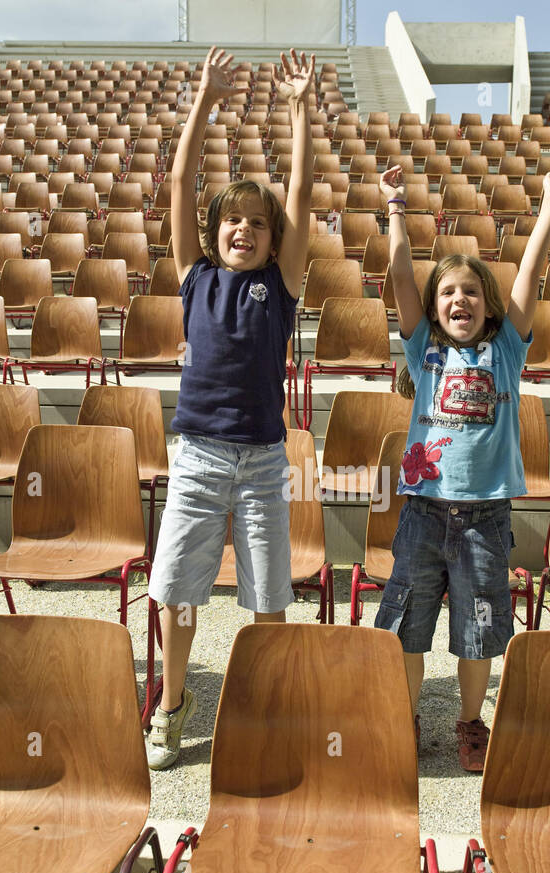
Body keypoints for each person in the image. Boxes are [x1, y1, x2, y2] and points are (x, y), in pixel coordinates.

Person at [146, 46, 316, 769]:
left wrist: (300, 109)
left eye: (257, 223)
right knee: (177, 593)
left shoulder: (280, 286)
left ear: (275, 241)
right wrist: (204, 102)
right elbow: (182, 182)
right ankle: (172, 703)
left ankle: (266, 707)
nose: (242, 229)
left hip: (263, 461)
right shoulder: (195, 279)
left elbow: (302, 193)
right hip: (199, 456)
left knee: (268, 599)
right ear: (214, 235)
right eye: (231, 222)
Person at [375, 161, 550, 771]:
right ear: (434, 311)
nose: (459, 299)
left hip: (487, 515)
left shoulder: (507, 348)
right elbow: (401, 276)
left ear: (488, 306)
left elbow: (532, 272)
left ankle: (469, 722)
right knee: (408, 622)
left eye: (471, 291)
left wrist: (549, 207)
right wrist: (395, 212)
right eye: (448, 293)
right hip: (422, 512)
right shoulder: (423, 348)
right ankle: (403, 718)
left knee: (480, 627)